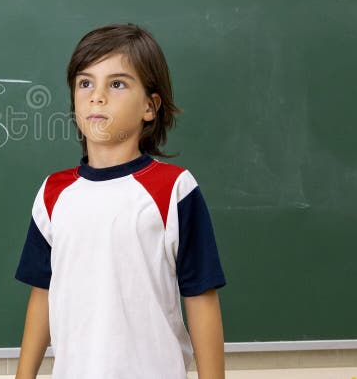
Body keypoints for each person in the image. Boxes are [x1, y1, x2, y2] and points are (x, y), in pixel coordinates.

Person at [14, 24, 226, 379]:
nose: (97, 96)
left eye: (117, 83)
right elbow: (42, 293)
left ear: (149, 106)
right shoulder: (53, 192)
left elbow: (201, 296)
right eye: (85, 83)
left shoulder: (174, 188)